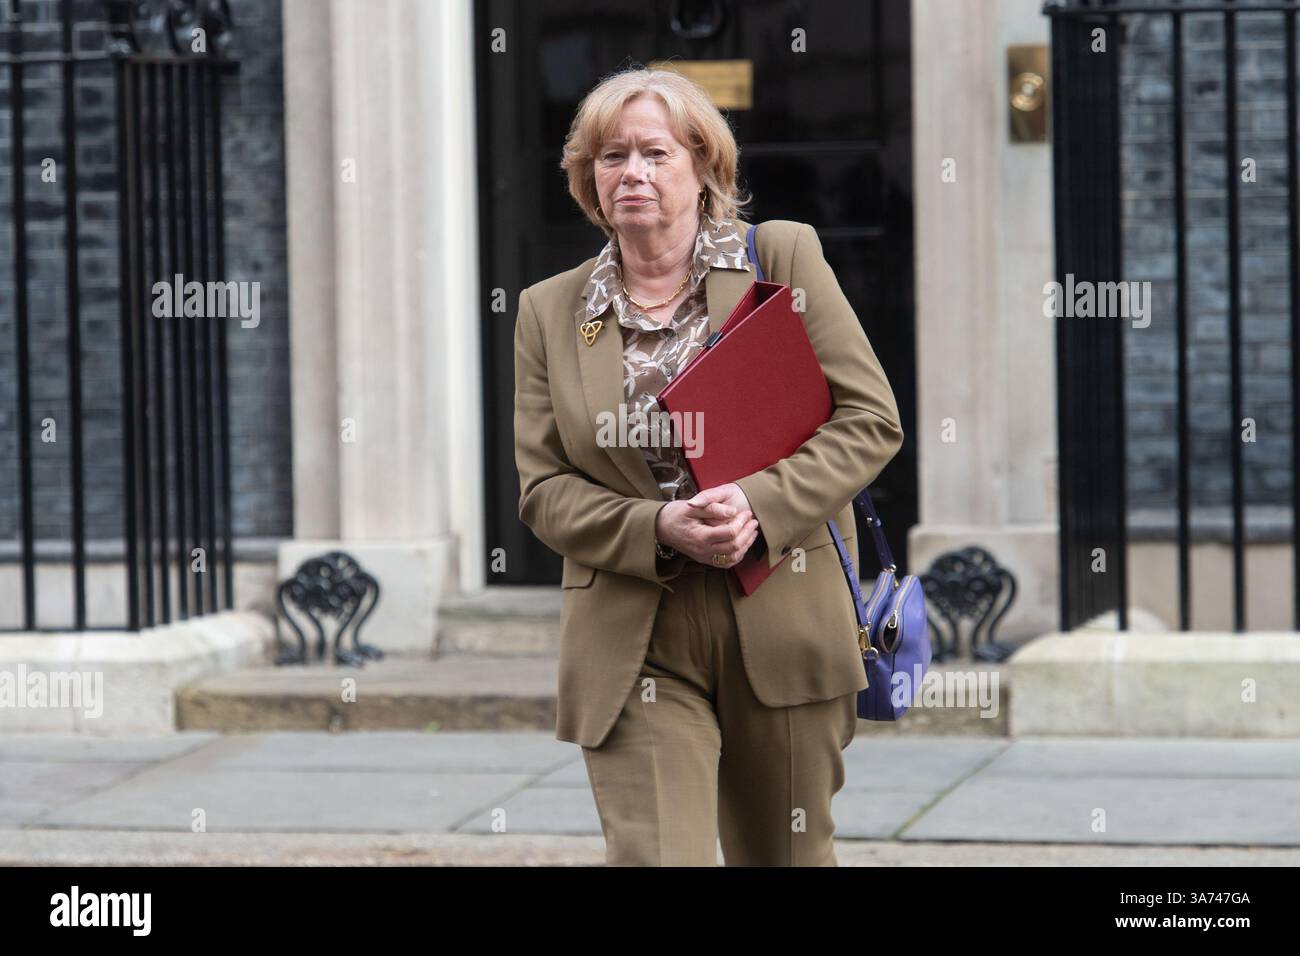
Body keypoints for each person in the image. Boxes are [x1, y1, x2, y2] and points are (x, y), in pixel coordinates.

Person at [513, 66, 904, 866]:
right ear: (588, 176)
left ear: (703, 166)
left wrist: (758, 505)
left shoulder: (781, 259)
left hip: (782, 611)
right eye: (610, 155)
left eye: (655, 153)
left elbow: (870, 422)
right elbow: (543, 490)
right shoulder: (549, 309)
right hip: (633, 632)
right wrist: (656, 524)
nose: (632, 172)